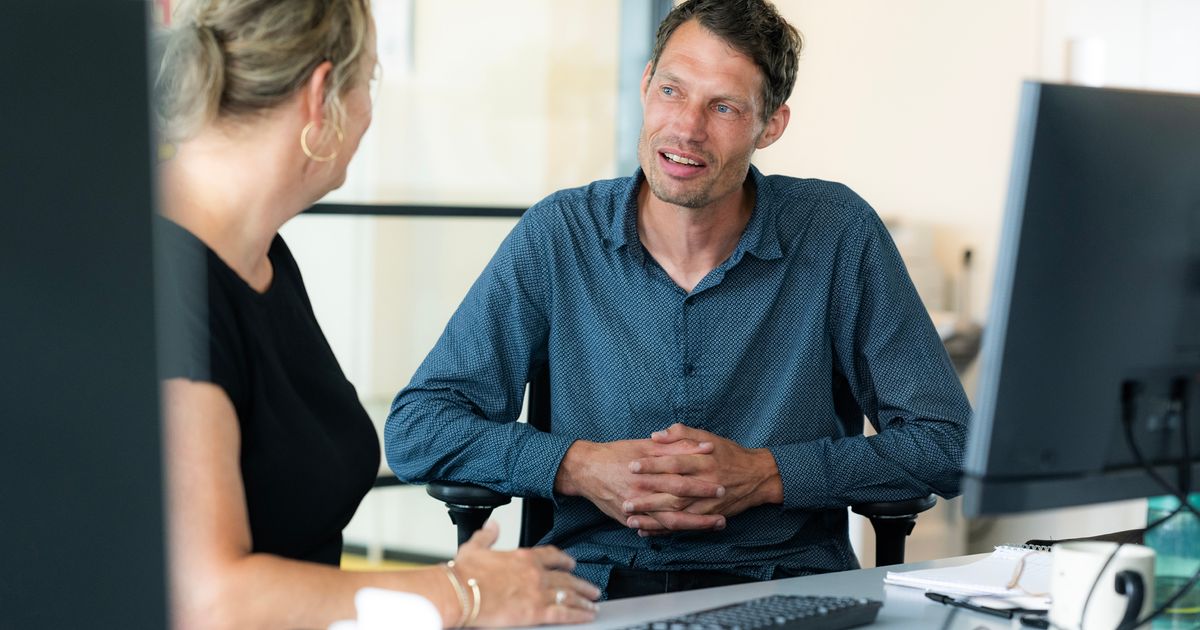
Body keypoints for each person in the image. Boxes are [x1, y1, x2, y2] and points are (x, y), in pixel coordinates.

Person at [386, 0, 971, 601]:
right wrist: (579, 466)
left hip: (785, 586)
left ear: (770, 125)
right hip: (592, 591)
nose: (686, 128)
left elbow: (949, 442)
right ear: (645, 85)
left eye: (723, 106)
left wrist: (768, 476)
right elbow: (418, 429)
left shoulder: (837, 234)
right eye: (672, 90)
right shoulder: (559, 235)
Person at [154, 0, 599, 627]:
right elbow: (211, 600)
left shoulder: (263, 257)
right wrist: (462, 593)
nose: (369, 114)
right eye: (369, 83)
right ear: (319, 99)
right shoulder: (166, 285)